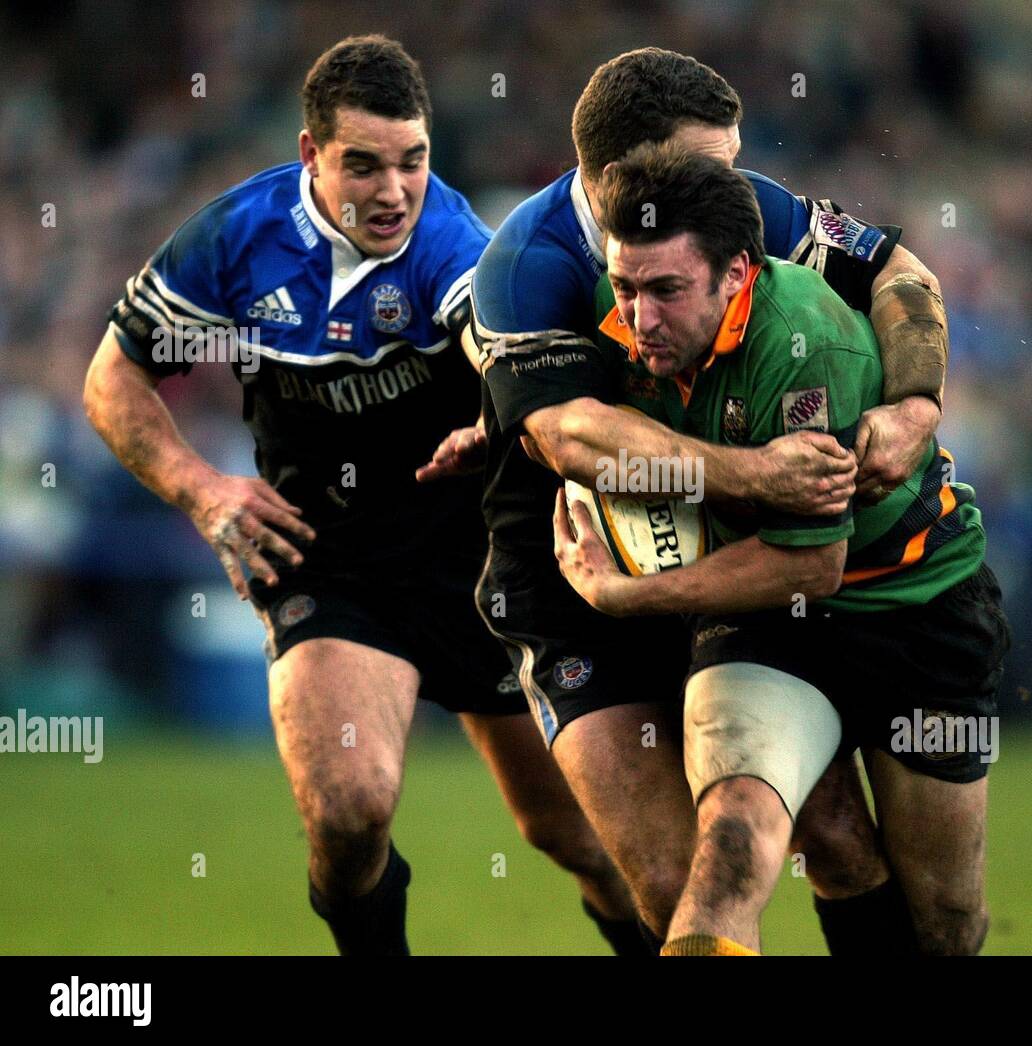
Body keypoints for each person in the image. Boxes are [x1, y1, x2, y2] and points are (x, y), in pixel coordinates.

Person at [84, 34, 642, 957]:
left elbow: (503, 355)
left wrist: (507, 419)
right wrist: (206, 490)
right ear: (311, 155)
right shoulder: (235, 238)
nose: (393, 190)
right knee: (348, 815)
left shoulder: (453, 243)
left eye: (413, 161)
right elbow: (114, 380)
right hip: (331, 563)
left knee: (577, 836)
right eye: (365, 164)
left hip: (481, 565)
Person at [425, 48, 950, 952]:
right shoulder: (525, 263)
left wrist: (913, 405)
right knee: (669, 883)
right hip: (572, 581)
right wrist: (757, 474)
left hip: (721, 561)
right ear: (626, 179)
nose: (737, 184)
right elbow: (576, 442)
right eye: (714, 165)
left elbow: (902, 274)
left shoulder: (729, 216)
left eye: (735, 160)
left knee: (827, 831)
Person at [554, 145, 1011, 955]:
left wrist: (628, 598)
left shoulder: (806, 348)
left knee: (946, 920)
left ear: (736, 275)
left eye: (665, 291)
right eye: (626, 288)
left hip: (916, 605)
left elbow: (814, 563)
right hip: (767, 615)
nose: (639, 316)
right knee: (736, 835)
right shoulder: (616, 316)